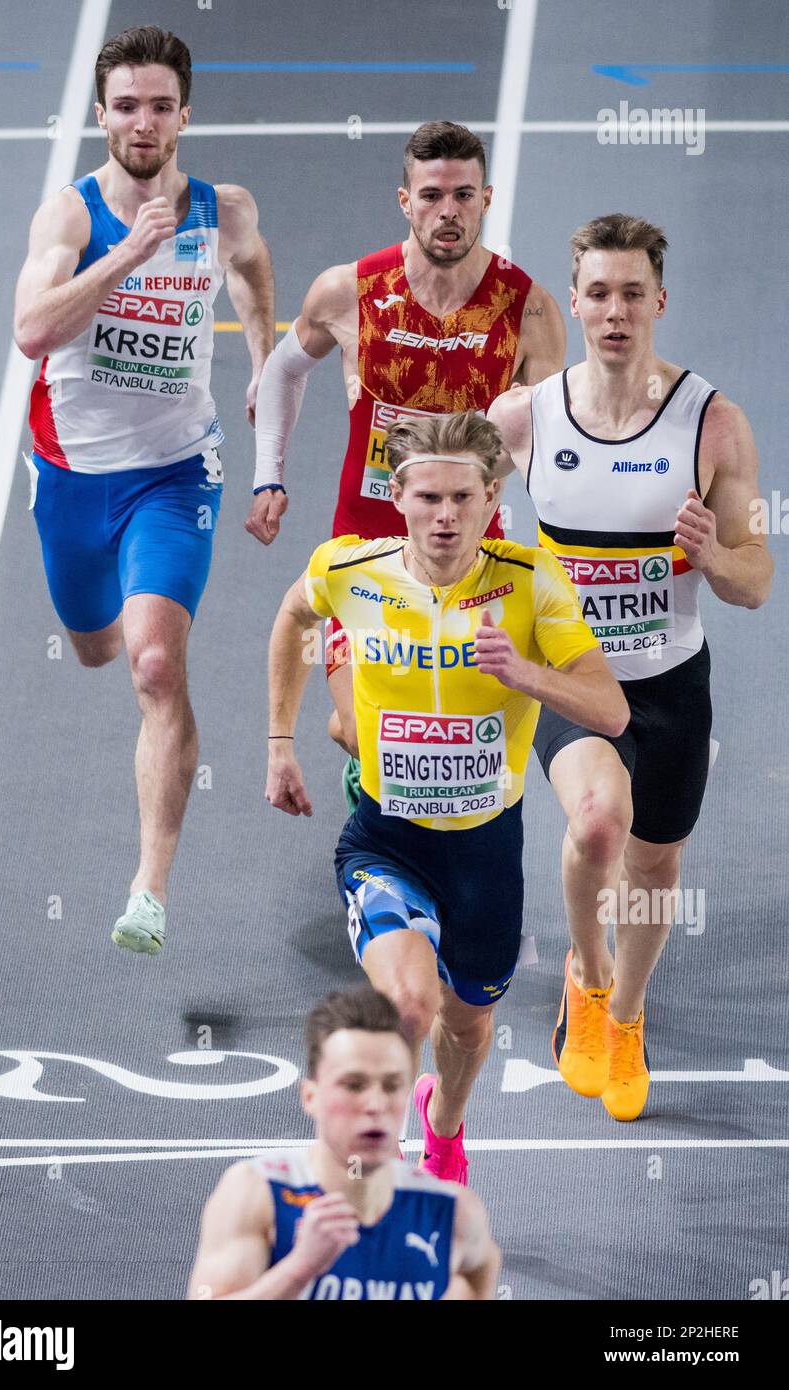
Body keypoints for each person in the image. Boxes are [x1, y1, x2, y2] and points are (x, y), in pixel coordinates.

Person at [264, 410, 628, 1183]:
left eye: (464, 498)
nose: (446, 517)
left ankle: (443, 1128)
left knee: (468, 1026)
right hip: (385, 839)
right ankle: (369, 1161)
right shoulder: (349, 571)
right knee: (408, 1006)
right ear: (397, 495)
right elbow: (297, 615)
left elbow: (611, 711)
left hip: (485, 852)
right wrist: (278, 742)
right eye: (428, 497)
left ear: (492, 496)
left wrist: (526, 674)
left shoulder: (532, 584)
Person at [488, 213, 772, 1120]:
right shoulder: (524, 419)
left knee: (655, 867)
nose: (615, 311)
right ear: (573, 303)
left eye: (632, 294)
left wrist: (713, 556)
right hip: (577, 677)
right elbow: (448, 520)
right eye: (598, 293)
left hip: (672, 683)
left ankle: (629, 1019)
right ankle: (588, 976)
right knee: (600, 825)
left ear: (660, 301)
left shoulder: (714, 425)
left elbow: (757, 579)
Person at [13, 25, 274, 954]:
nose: (144, 121)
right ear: (102, 114)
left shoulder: (222, 208)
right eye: (127, 105)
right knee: (92, 649)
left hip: (174, 474)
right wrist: (127, 256)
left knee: (155, 665)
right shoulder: (72, 218)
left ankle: (148, 891)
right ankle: (113, 600)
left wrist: (262, 358)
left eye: (160, 105)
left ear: (184, 115)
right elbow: (31, 333)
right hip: (74, 477)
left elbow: (248, 273)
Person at [247, 121, 565, 809]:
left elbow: (547, 440)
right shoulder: (348, 292)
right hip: (365, 537)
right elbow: (282, 372)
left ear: (486, 198)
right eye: (431, 196)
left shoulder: (529, 310)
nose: (447, 211)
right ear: (404, 200)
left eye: (463, 195)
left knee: (454, 741)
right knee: (377, 741)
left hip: (470, 544)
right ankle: (359, 767)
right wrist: (268, 475)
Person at [187, 984, 500, 1300]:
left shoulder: (452, 1213)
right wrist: (299, 1269)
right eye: (354, 1085)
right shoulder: (259, 1195)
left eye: (392, 1085)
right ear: (311, 1097)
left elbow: (479, 1271)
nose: (375, 1104)